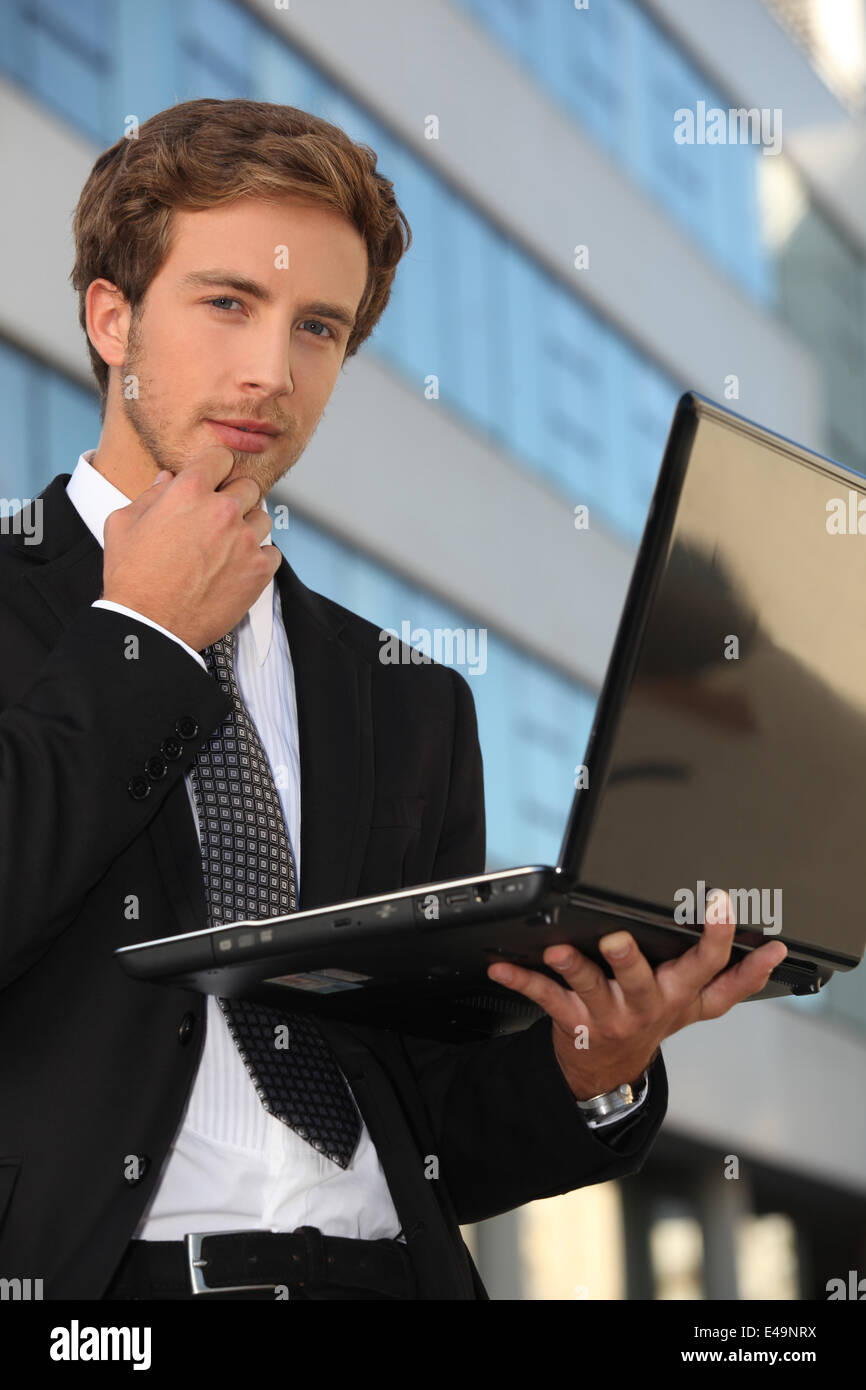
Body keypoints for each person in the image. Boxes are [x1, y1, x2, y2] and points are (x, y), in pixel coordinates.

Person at [0, 98, 787, 1301]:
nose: (270, 369)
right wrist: (144, 631)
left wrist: (595, 1060)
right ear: (114, 317)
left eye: (317, 325)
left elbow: (431, 1127)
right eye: (226, 303)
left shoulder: (407, 696)